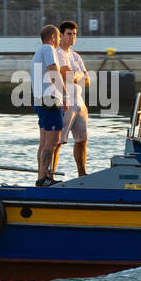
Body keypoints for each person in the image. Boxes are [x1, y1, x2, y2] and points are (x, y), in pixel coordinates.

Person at [54, 20, 91, 177]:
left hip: (79, 102)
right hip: (65, 101)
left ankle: (81, 173)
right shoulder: (57, 53)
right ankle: (50, 174)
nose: (72, 37)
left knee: (82, 139)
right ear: (61, 35)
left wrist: (76, 75)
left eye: (74, 34)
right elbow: (66, 74)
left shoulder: (76, 56)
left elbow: (87, 79)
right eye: (69, 34)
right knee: (58, 140)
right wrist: (79, 74)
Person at [30, 25, 65, 187]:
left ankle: (42, 175)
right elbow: (53, 73)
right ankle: (44, 178)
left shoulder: (38, 52)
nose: (60, 39)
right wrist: (65, 96)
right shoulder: (49, 50)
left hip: (40, 102)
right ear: (52, 37)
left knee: (44, 142)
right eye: (58, 36)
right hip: (50, 102)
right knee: (53, 141)